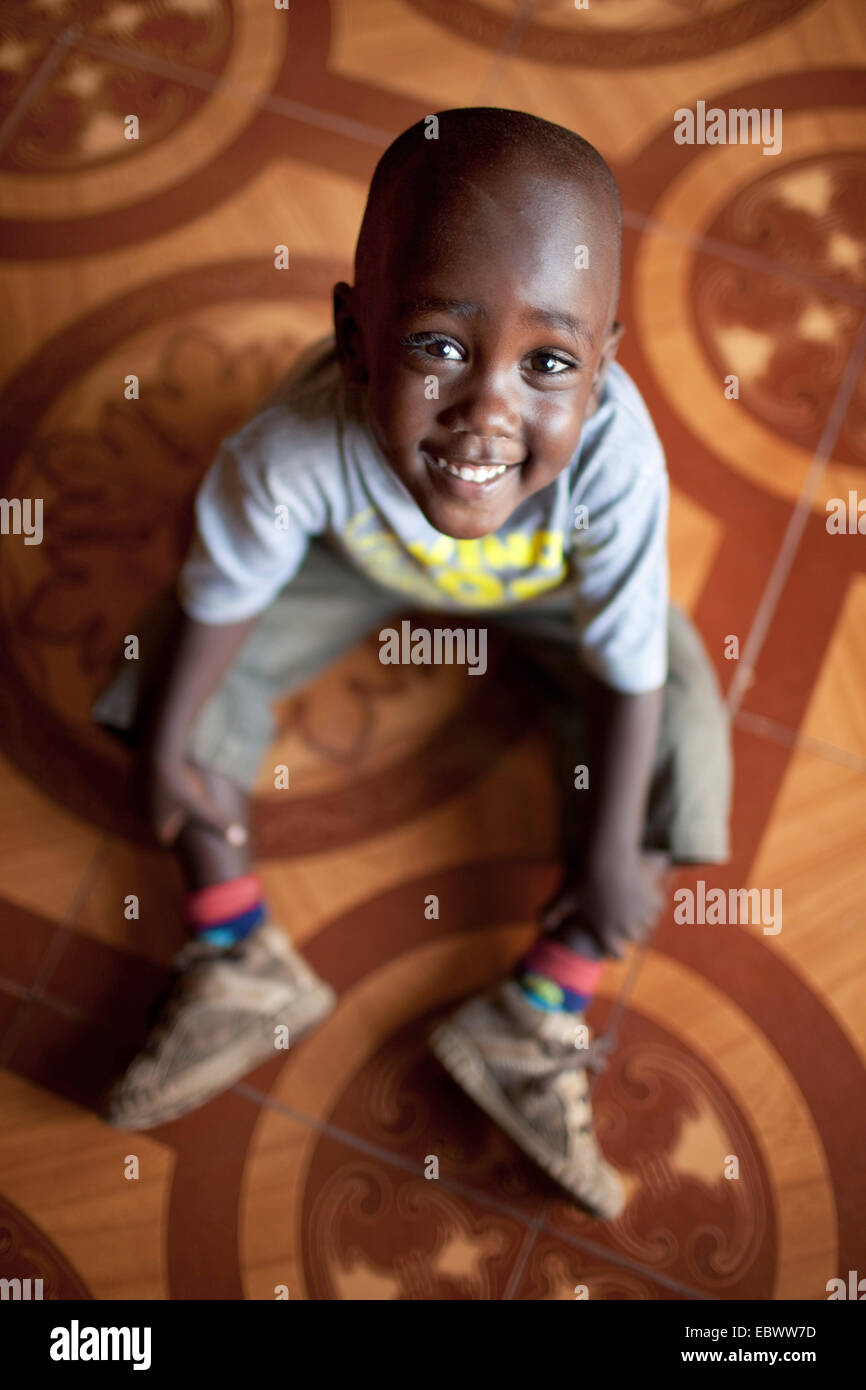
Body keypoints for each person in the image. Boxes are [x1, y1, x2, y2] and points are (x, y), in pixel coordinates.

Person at [92, 107, 731, 1221]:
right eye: (438, 344)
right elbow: (221, 595)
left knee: (680, 732)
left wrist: (611, 849)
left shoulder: (614, 461)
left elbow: (627, 651)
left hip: (542, 596)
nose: (487, 411)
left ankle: (539, 1004)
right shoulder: (295, 446)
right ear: (354, 337)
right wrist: (168, 744)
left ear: (604, 368)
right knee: (167, 675)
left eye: (547, 362)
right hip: (353, 560)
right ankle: (235, 947)